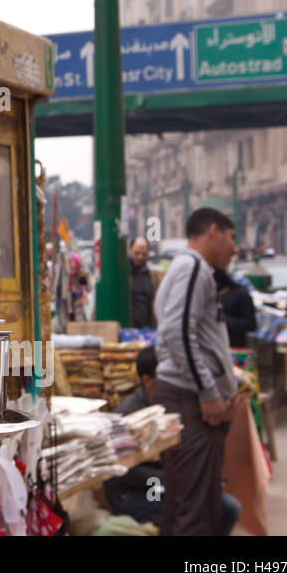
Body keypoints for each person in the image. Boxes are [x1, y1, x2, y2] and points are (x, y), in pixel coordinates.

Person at [152, 207, 243, 536]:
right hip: (190, 400)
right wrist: (209, 392)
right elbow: (177, 333)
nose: (234, 249)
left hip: (186, 397)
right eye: (232, 238)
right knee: (196, 513)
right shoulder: (193, 268)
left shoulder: (184, 267)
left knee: (185, 505)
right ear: (214, 231)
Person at [103, 347, 240, 534]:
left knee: (227, 507)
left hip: (165, 487)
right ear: (147, 381)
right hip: (133, 494)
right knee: (210, 510)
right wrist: (171, 480)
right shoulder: (127, 415)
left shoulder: (172, 405)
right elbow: (123, 471)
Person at [216, 267, 257, 349]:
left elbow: (251, 324)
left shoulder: (241, 295)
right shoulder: (209, 296)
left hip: (234, 345)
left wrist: (223, 319)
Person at [128, 238, 163, 328]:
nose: (140, 257)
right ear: (130, 251)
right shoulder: (122, 275)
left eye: (144, 254)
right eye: (137, 253)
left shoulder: (153, 277)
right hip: (126, 329)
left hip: (147, 330)